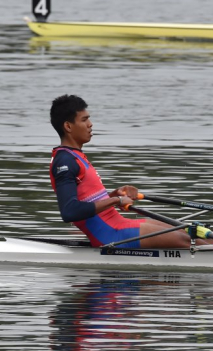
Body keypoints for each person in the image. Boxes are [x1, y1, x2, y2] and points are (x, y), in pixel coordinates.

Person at [49, 94, 192, 249]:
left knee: (188, 231)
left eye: (88, 119)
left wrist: (114, 195)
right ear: (68, 126)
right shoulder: (65, 161)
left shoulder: (76, 156)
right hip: (110, 234)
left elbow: (88, 201)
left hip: (117, 223)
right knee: (186, 239)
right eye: (84, 120)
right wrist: (116, 201)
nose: (90, 124)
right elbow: (69, 212)